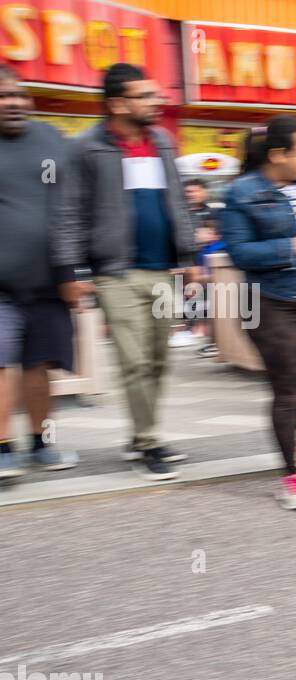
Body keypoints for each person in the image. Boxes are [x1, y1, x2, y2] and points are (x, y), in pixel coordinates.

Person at [57, 63, 198, 480]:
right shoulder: (86, 148)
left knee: (157, 361)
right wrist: (70, 269)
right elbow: (68, 212)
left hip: (160, 271)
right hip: (114, 272)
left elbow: (177, 200)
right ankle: (150, 441)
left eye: (156, 95)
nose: (157, 103)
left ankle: (140, 439)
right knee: (134, 361)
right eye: (146, 96)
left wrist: (188, 258)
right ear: (117, 104)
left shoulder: (163, 143)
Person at [220, 116, 296, 510]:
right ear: (278, 154)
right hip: (269, 302)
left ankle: (287, 431)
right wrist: (295, 247)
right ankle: (293, 476)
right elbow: (240, 253)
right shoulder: (240, 193)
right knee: (288, 388)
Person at [0, 65, 80, 479]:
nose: (13, 102)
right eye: (3, 96)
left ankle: (40, 443)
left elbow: (67, 208)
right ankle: (2, 448)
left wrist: (71, 271)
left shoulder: (51, 138)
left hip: (48, 283)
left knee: (39, 368)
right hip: (2, 287)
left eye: (19, 95)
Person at [181, 177, 221, 356]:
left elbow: (219, 236)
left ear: (204, 192)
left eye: (195, 191)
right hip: (187, 260)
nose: (192, 195)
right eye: (188, 192)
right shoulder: (180, 215)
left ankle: (201, 328)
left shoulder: (214, 214)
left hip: (208, 261)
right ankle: (193, 326)